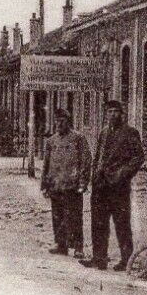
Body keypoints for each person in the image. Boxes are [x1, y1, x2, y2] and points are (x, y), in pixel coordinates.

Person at [86, 99, 144, 271]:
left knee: (121, 223)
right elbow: (98, 156)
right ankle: (99, 258)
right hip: (100, 186)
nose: (112, 115)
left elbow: (138, 157)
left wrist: (122, 174)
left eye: (116, 112)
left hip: (118, 187)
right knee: (98, 223)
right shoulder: (103, 132)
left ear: (122, 114)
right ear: (106, 114)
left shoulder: (130, 132)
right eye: (110, 112)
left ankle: (126, 260)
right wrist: (94, 175)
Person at [39, 109, 89, 257]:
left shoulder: (78, 138)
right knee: (57, 216)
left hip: (72, 185)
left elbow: (86, 161)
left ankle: (78, 247)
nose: (59, 124)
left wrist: (83, 182)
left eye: (62, 121)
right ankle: (61, 245)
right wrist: (44, 185)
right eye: (57, 121)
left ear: (68, 122)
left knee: (74, 216)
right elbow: (46, 164)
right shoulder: (51, 141)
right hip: (56, 184)